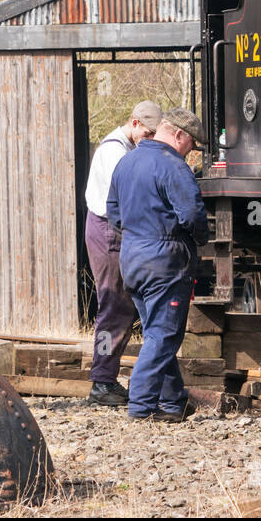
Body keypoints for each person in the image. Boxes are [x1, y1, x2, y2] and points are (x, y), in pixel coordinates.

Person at [107, 107, 208, 422]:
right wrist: (201, 237)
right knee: (163, 336)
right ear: (179, 135)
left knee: (156, 333)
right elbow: (192, 214)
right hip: (165, 261)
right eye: (191, 145)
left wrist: (138, 234)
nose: (190, 153)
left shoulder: (126, 162)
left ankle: (173, 403)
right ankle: (140, 407)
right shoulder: (173, 166)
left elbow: (112, 211)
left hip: (132, 258)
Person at [84, 100, 162, 406]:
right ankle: (101, 382)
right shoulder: (114, 151)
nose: (152, 139)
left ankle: (105, 378)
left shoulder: (125, 148)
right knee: (112, 305)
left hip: (112, 228)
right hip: (107, 230)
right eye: (149, 132)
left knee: (120, 306)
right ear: (134, 123)